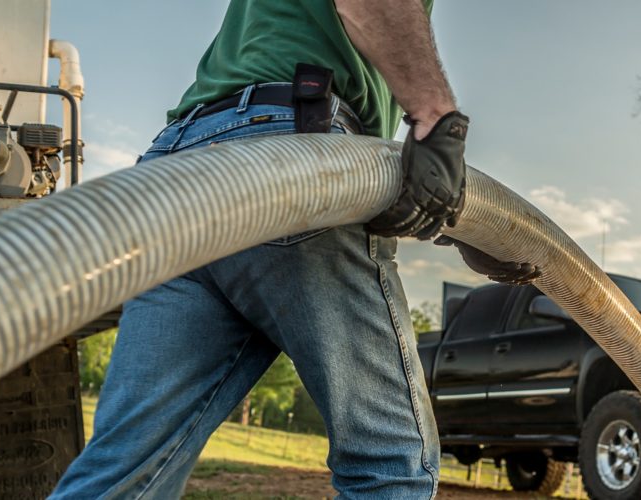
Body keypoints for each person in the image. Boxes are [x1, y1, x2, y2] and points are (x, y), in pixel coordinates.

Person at [52, 1, 537, 498]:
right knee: (392, 464)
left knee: (127, 470)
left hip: (177, 171)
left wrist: (459, 223)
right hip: (288, 150)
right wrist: (437, 116)